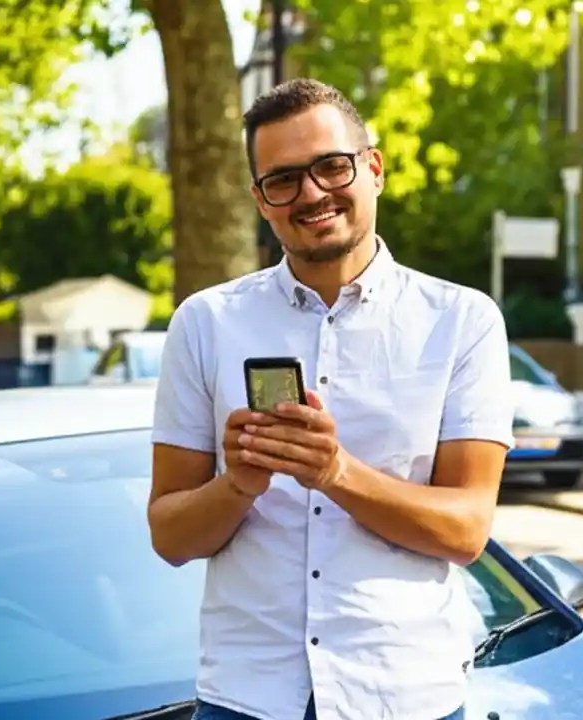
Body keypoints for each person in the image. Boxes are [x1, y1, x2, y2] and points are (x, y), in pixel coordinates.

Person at [148, 78, 516, 720]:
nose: (311, 193)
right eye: (283, 180)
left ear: (373, 168)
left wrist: (335, 472)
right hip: (247, 699)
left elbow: (466, 530)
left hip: (404, 696)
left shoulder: (462, 320)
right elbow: (170, 535)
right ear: (261, 201)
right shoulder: (205, 323)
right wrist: (237, 483)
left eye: (331, 166)